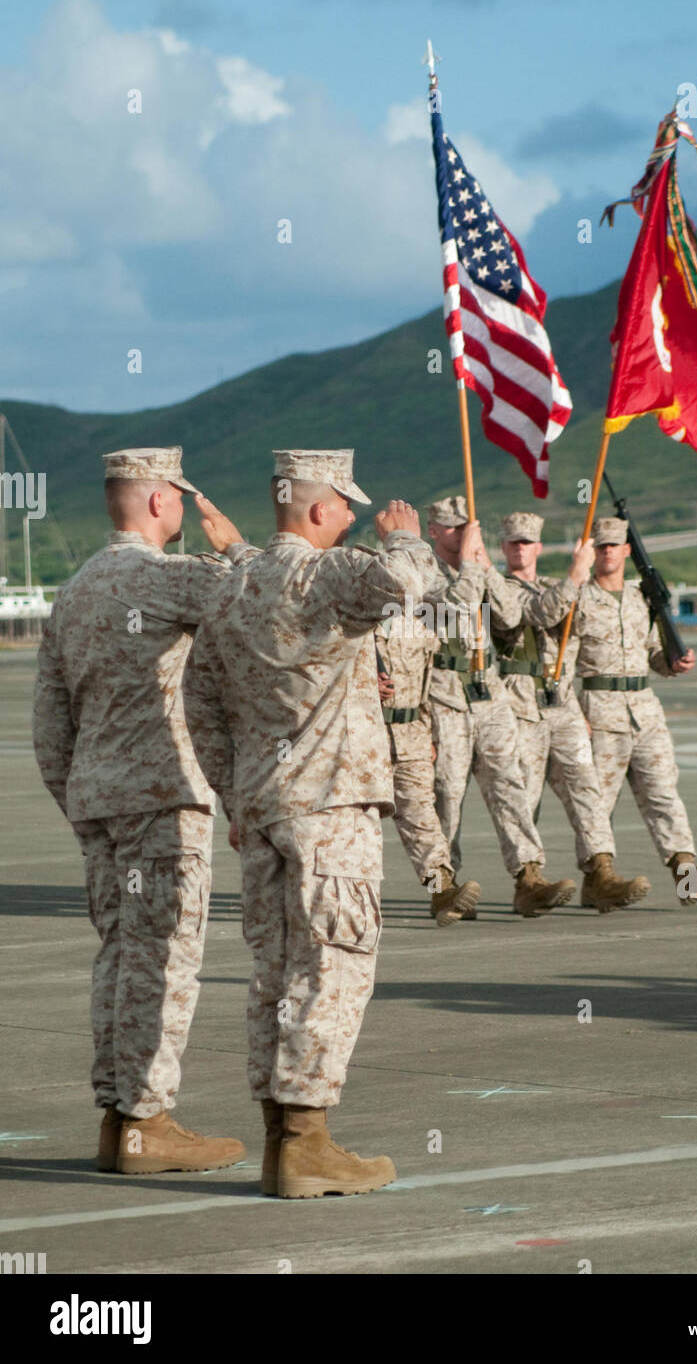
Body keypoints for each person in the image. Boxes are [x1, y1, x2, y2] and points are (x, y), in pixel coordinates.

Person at [183, 450, 437, 1198]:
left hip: (263, 808)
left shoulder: (233, 588)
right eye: (346, 507)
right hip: (329, 806)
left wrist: (236, 795)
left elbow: (200, 704)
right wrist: (402, 538)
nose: (354, 517)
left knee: (274, 975)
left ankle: (278, 1137)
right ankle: (306, 1141)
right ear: (318, 509)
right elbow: (405, 584)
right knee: (332, 966)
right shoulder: (323, 573)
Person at [32, 446, 255, 1174]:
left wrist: (81, 796)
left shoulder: (76, 590)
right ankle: (146, 1120)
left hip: (98, 801)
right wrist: (238, 548)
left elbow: (49, 723)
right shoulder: (168, 580)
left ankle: (116, 1116)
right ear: (161, 501)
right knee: (165, 957)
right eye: (181, 499)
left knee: (119, 956)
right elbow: (265, 603)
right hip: (163, 797)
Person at [423, 495, 576, 917]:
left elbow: (509, 617)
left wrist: (485, 566)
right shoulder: (421, 571)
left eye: (467, 525)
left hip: (489, 694)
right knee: (445, 797)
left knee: (510, 785)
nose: (464, 533)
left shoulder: (482, 569)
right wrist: (472, 567)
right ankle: (443, 887)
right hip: (443, 695)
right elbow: (451, 609)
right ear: (434, 531)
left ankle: (529, 877)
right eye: (454, 527)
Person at [496, 512, 651, 911]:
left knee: (586, 787)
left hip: (561, 701)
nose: (521, 548)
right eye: (514, 541)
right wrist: (577, 572)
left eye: (528, 542)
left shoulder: (553, 586)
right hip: (520, 702)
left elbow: (583, 624)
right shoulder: (498, 588)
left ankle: (601, 872)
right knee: (522, 795)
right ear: (503, 548)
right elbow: (536, 614)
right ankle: (527, 880)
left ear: (539, 547)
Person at [575, 517, 697, 902]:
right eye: (600, 546)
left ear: (626, 551)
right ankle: (599, 878)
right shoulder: (579, 598)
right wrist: (575, 715)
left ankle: (685, 871)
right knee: (597, 801)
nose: (607, 552)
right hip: (599, 709)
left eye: (613, 546)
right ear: (592, 551)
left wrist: (672, 662)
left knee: (662, 792)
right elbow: (561, 664)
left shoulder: (642, 600)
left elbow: (652, 653)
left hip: (644, 710)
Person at [375, 608, 481, 926]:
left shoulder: (419, 628)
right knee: (356, 829)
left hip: (411, 738)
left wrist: (429, 732)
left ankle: (441, 891)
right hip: (364, 739)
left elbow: (426, 687)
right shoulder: (349, 624)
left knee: (422, 824)